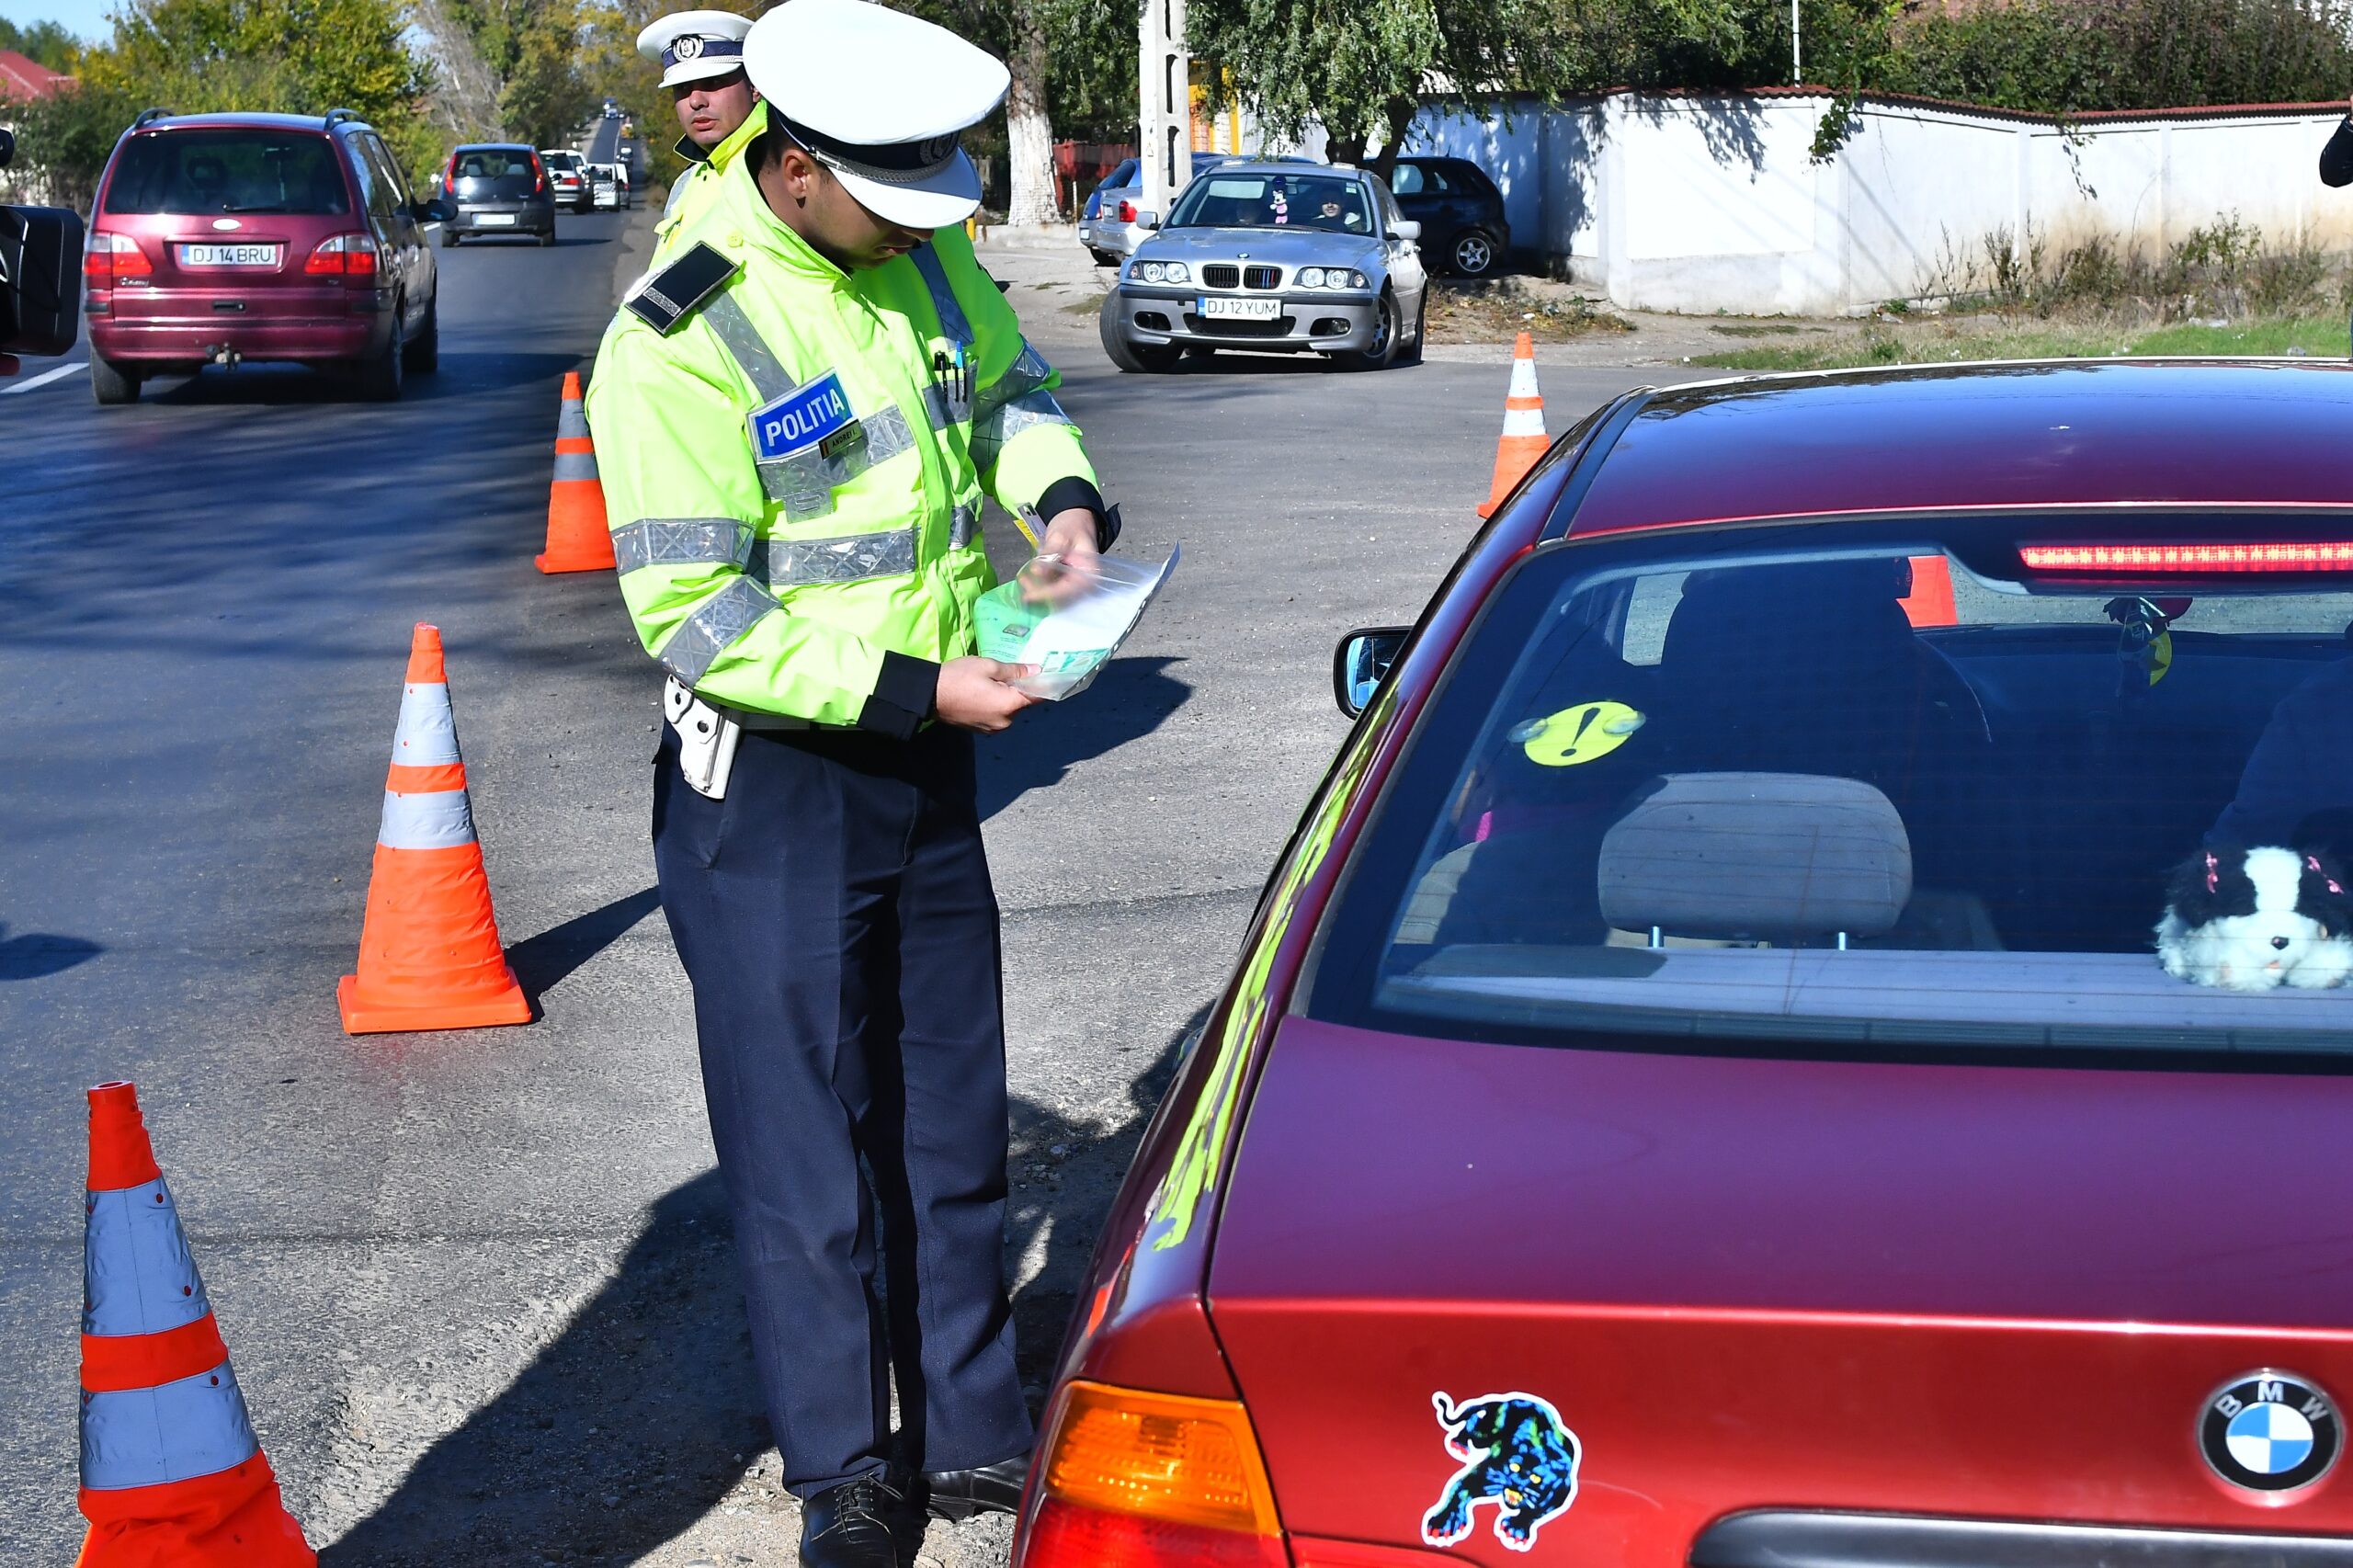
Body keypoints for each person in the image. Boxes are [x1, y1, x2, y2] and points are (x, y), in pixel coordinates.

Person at [583, 1, 1119, 1562]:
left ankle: (965, 1426)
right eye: (894, 205)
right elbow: (698, 617)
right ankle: (845, 1462)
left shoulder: (925, 250)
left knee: (951, 1114)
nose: (922, 232)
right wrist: (918, 688)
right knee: (806, 1146)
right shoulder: (682, 334)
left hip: (928, 759)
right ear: (797, 165)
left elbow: (1015, 396)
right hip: (775, 785)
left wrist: (1065, 506)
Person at [637, 8, 761, 236]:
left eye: (713, 82)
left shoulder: (785, 170)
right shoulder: (687, 183)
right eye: (683, 88)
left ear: (754, 86)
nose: (695, 100)